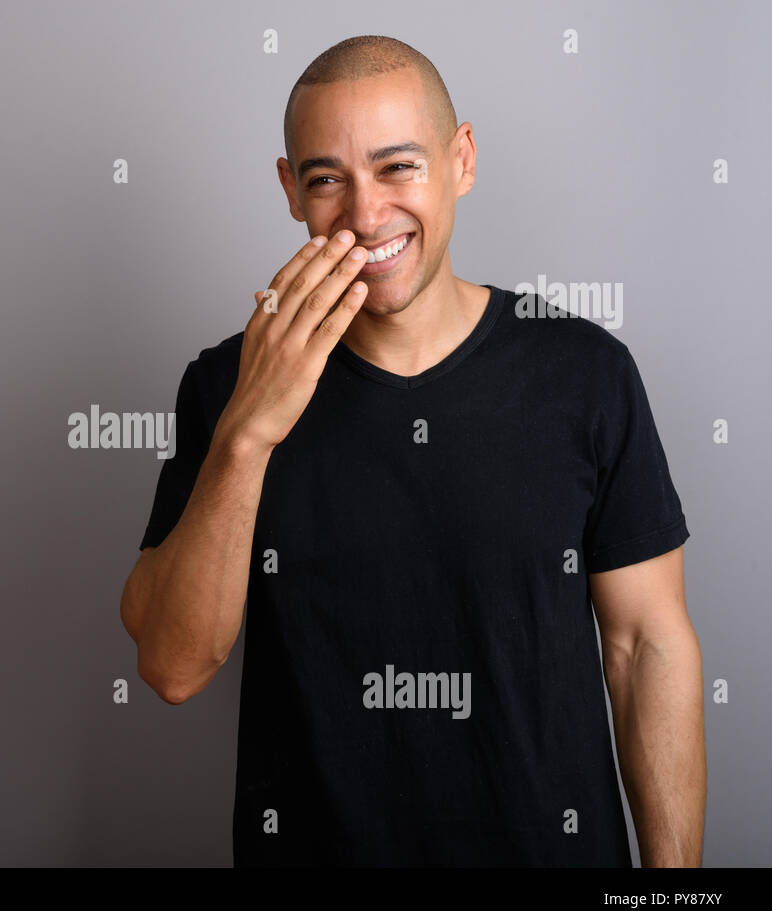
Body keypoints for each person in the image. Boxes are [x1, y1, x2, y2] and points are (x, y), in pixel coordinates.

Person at [119, 35, 705, 867]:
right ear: (290, 190)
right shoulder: (225, 385)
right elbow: (172, 665)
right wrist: (248, 433)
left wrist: (672, 904)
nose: (365, 214)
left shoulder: (585, 374)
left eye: (398, 167)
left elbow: (647, 645)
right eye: (327, 179)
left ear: (460, 159)